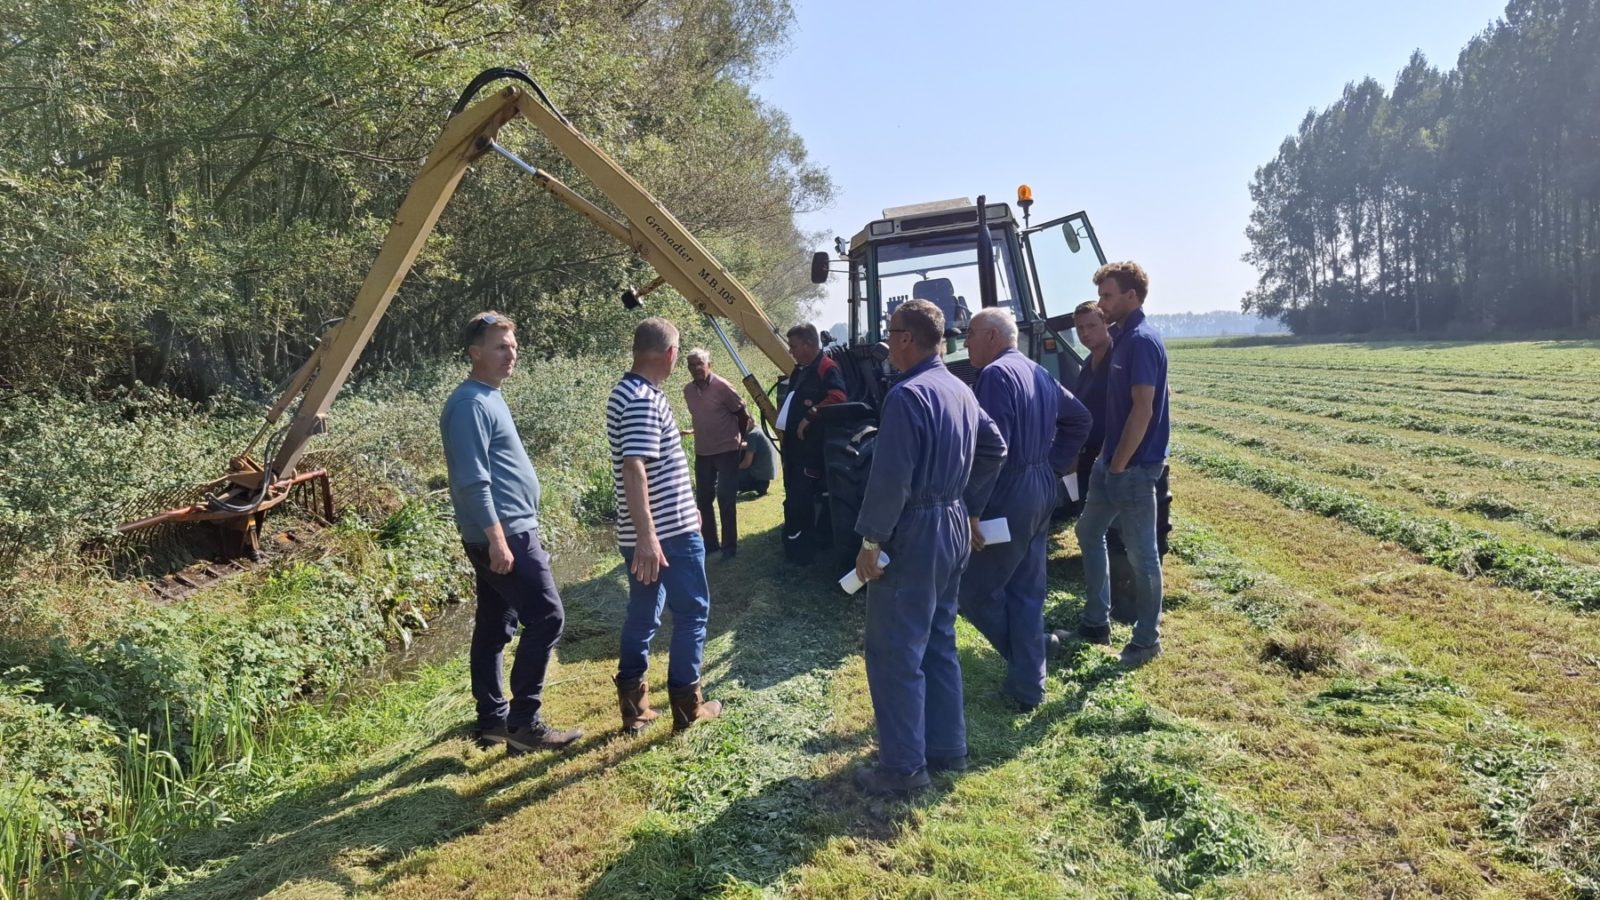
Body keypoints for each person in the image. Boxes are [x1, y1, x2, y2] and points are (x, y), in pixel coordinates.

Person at [852, 299, 1007, 795]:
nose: (887, 340)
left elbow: (890, 478)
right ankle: (948, 750)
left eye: (890, 331)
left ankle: (903, 769)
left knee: (895, 650)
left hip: (916, 529)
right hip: (953, 522)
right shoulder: (959, 389)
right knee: (939, 640)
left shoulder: (907, 395)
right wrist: (969, 502)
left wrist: (872, 540)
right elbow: (994, 447)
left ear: (904, 338)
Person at [440, 311, 582, 754]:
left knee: (494, 625)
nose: (511, 354)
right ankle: (523, 723)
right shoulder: (469, 404)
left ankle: (492, 720)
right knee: (547, 617)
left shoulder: (488, 396)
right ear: (475, 352)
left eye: (513, 346)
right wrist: (498, 539)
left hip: (506, 529)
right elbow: (471, 479)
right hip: (504, 534)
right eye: (501, 346)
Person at [957, 308, 1092, 711]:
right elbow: (1080, 419)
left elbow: (991, 450)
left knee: (975, 591)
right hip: (1040, 489)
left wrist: (972, 509)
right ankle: (1029, 680)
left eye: (972, 334)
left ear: (994, 337)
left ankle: (1029, 671)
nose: (965, 343)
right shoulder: (1038, 372)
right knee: (1027, 590)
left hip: (1008, 491)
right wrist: (1052, 465)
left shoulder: (996, 376)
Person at [606, 317, 723, 732]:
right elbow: (634, 467)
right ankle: (688, 706)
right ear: (671, 354)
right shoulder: (642, 398)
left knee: (643, 614)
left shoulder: (628, 391)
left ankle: (635, 708)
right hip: (666, 535)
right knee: (692, 613)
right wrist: (648, 538)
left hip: (652, 532)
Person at [1074, 263, 1170, 667]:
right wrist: (1105, 459)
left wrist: (1119, 465)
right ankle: (1097, 621)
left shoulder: (1142, 342)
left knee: (1142, 555)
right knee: (1087, 531)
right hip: (1109, 462)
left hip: (1133, 468)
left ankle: (1147, 639)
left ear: (1132, 296)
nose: (1102, 303)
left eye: (1108, 295)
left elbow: (1143, 410)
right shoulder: (1120, 340)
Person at [780, 323, 847, 563]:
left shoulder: (827, 367)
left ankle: (805, 551)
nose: (791, 351)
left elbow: (838, 397)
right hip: (795, 450)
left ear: (809, 345)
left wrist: (811, 415)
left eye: (794, 346)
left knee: (803, 499)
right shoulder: (801, 370)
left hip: (813, 449)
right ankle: (795, 546)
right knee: (795, 499)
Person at [683, 348, 752, 560]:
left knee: (725, 498)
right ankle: (710, 544)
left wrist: (739, 439)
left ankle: (729, 547)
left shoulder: (723, 387)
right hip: (703, 451)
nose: (696, 368)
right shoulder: (688, 391)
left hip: (726, 450)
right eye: (692, 365)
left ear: (708, 365)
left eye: (700, 364)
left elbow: (742, 414)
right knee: (703, 499)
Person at [1071, 300, 1113, 498]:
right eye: (1079, 328)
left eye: (1091, 326)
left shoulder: (1119, 359)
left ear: (1106, 324)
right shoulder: (1087, 363)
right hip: (1088, 454)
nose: (1084, 333)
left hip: (1112, 454)